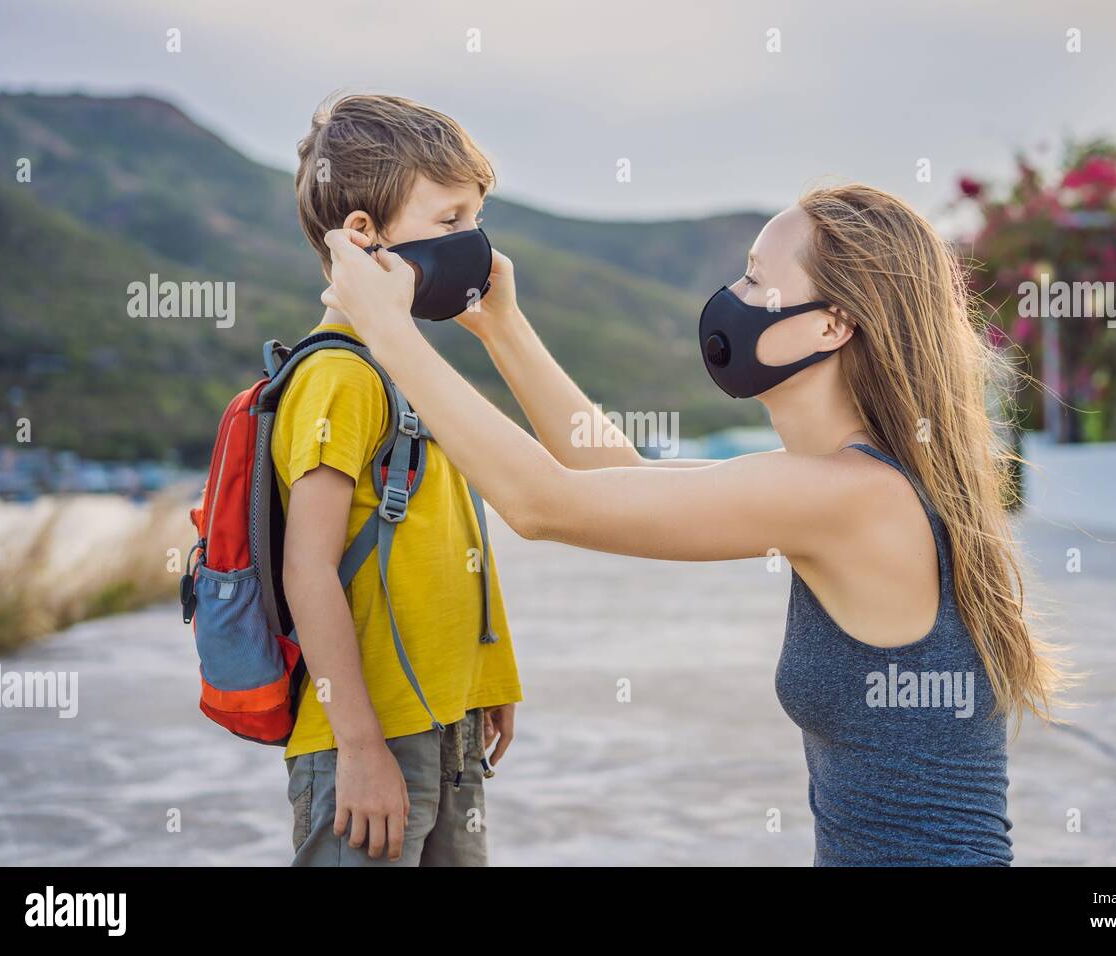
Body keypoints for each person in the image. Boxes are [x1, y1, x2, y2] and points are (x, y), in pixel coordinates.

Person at [321, 183, 1073, 866]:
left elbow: (540, 504)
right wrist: (503, 328)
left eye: (754, 278)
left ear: (832, 325)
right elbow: (606, 475)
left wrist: (389, 329)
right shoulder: (845, 484)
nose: (731, 297)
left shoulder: (857, 497)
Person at [278, 93, 522, 866]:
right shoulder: (339, 375)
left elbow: (453, 531)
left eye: (477, 219)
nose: (472, 242)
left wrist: (492, 672)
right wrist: (357, 747)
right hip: (370, 733)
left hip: (447, 721)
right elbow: (305, 566)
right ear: (363, 234)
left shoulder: (409, 367)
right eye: (449, 220)